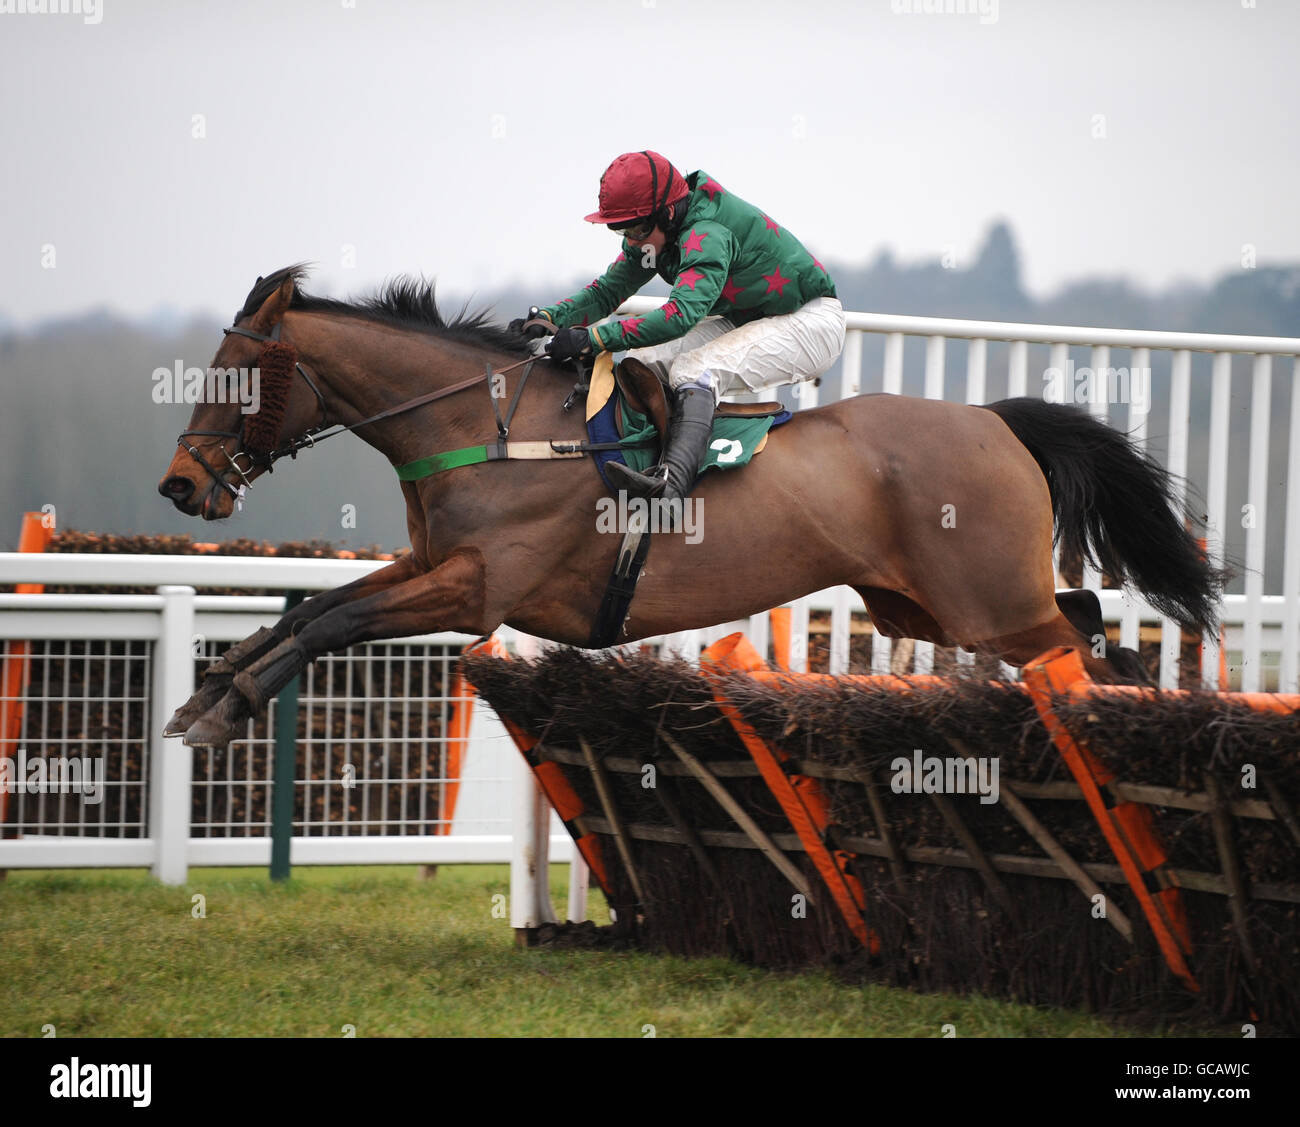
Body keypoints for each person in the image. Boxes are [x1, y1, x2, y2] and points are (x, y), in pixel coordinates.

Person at [510, 150, 845, 503]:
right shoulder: (660, 228)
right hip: (748, 316)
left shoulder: (708, 232)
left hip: (810, 322)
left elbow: (681, 315)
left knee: (694, 370)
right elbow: (609, 291)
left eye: (637, 228)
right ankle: (644, 461)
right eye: (620, 229)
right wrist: (549, 318)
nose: (632, 240)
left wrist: (592, 338)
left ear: (668, 214)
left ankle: (672, 490)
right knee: (643, 360)